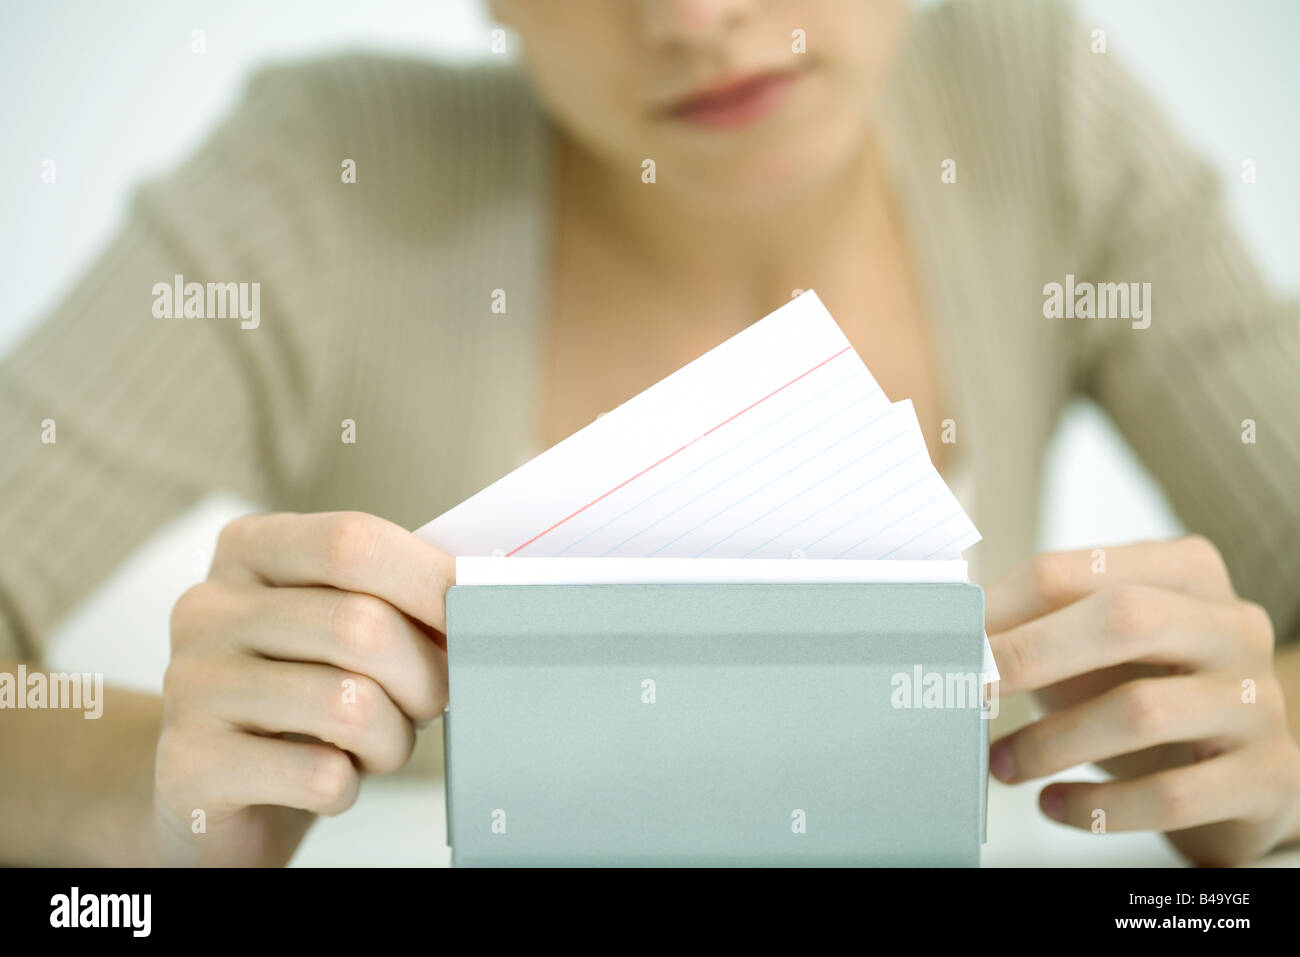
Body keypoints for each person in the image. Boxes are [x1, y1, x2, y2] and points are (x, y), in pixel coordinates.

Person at [1, 0, 1298, 867]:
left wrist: (1268, 752)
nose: (694, 18)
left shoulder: (1039, 111)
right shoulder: (316, 180)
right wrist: (152, 801)